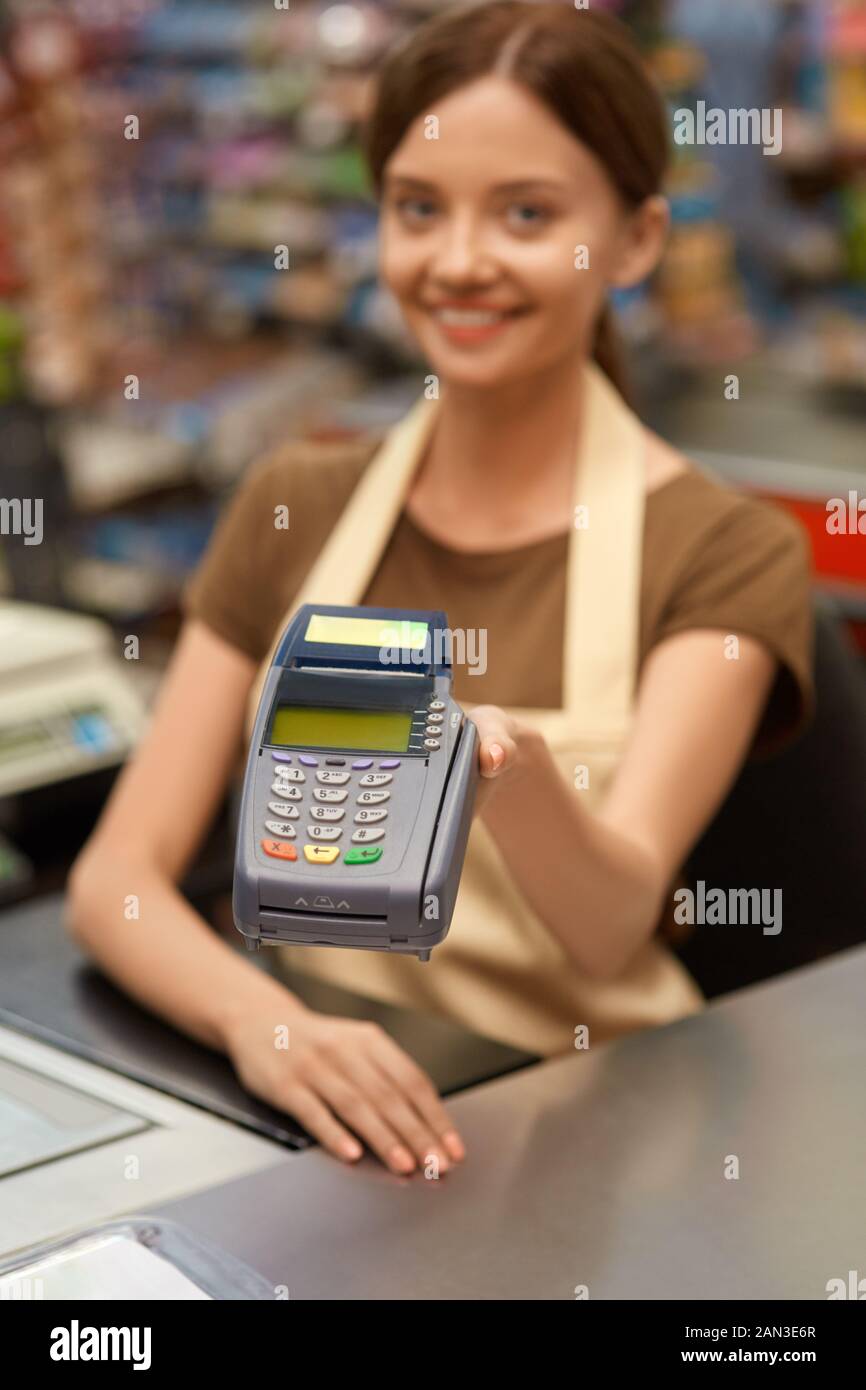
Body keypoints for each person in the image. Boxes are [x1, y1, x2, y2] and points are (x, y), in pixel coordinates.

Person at [67, 2, 814, 1177]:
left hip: (591, 1130)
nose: (457, 260)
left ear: (631, 241)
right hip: (323, 1107)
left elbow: (609, 921)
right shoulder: (294, 501)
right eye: (419, 208)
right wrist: (267, 1029)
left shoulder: (725, 551)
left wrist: (502, 771)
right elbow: (117, 879)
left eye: (525, 213)